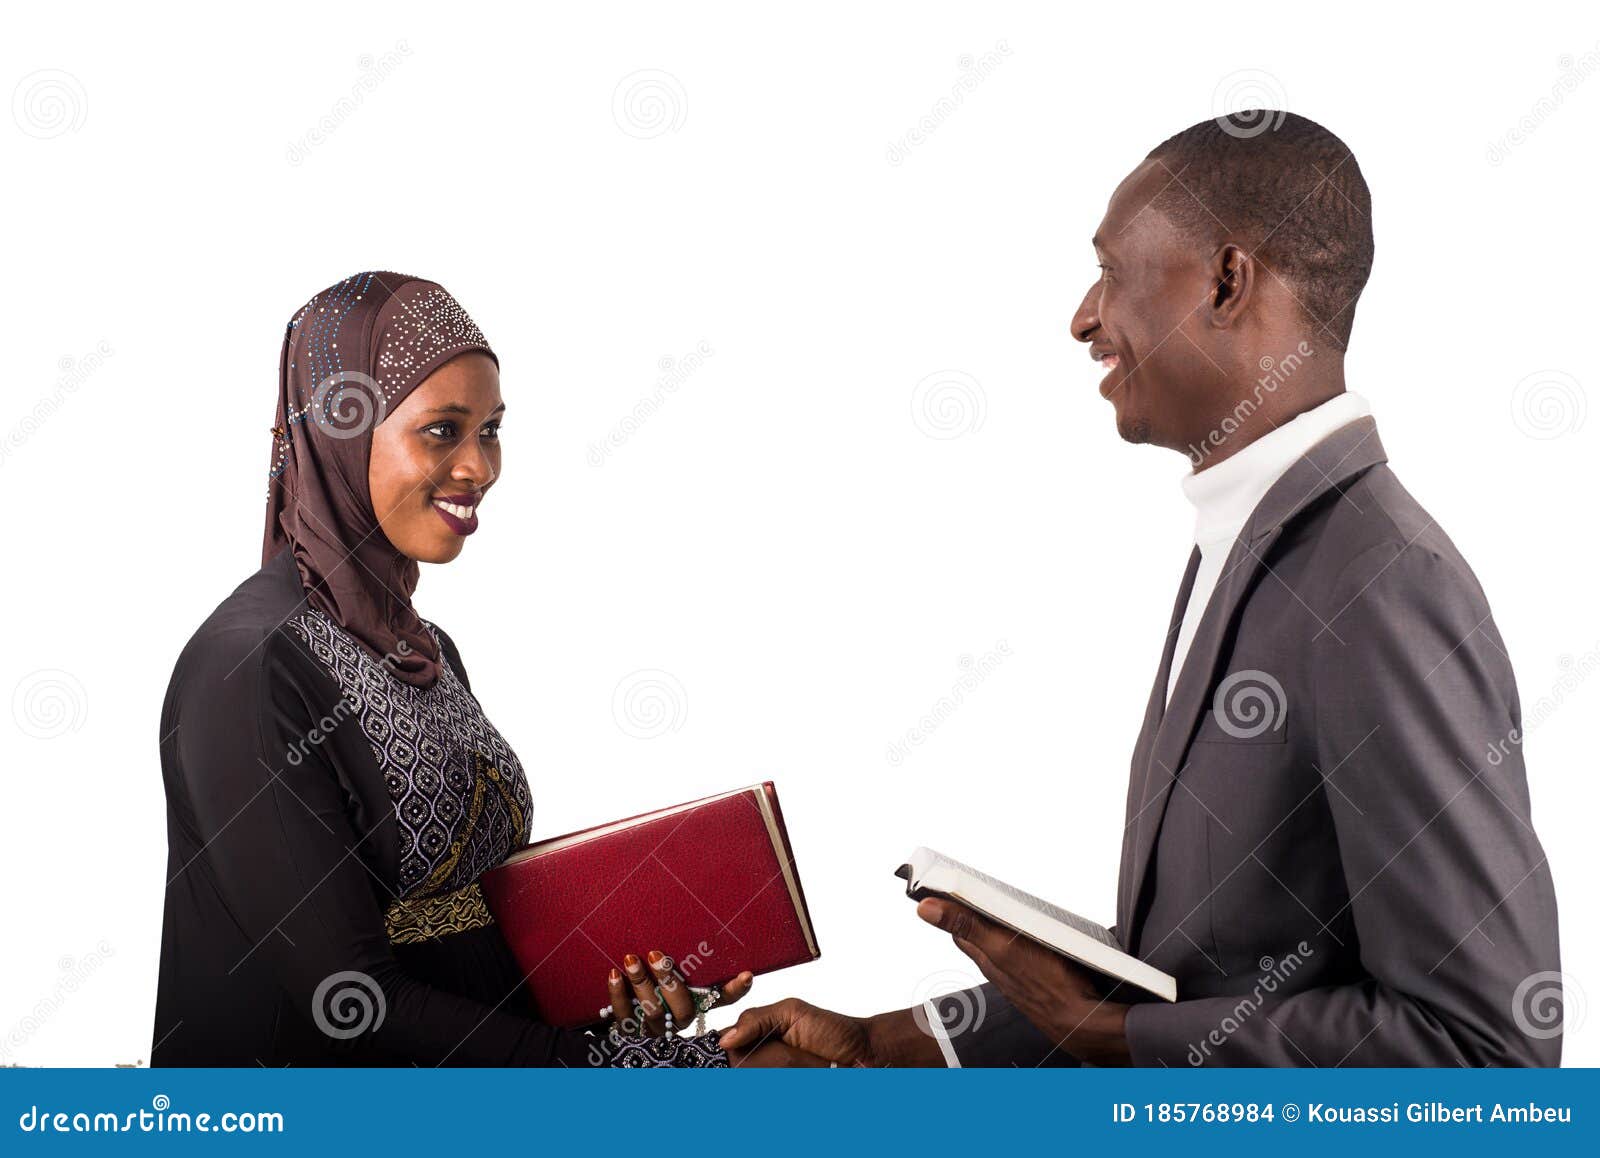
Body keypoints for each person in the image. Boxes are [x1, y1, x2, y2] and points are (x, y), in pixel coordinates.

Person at [722, 112, 1562, 1068]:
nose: (1084, 316)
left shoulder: (1381, 582)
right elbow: (1202, 982)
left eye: (1114, 270)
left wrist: (1116, 1036)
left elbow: (1487, 1052)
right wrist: (881, 1047)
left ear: (1226, 281)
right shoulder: (1250, 541)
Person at [152, 271, 771, 1066]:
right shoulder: (249, 667)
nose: (481, 467)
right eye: (443, 430)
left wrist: (619, 1014)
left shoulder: (427, 651)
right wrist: (635, 1075)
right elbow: (352, 1000)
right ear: (340, 432)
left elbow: (470, 932)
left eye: (492, 429)